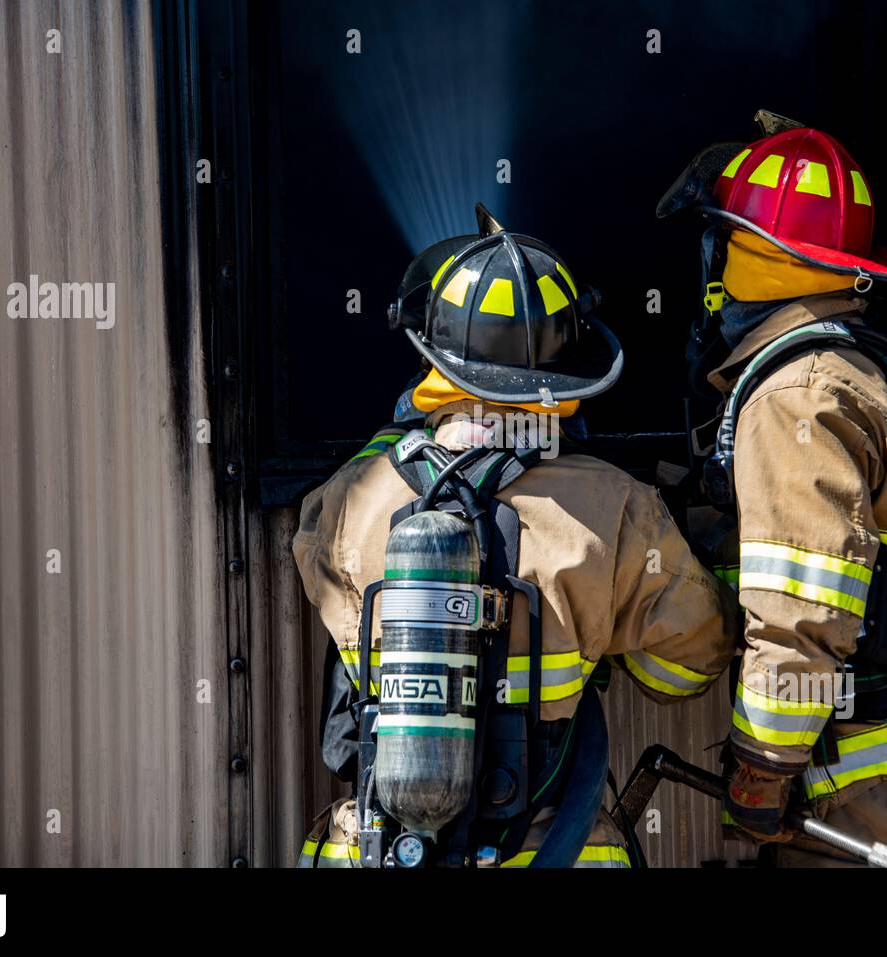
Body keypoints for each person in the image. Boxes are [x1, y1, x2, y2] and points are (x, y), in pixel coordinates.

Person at [292, 205, 738, 868]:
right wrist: (599, 634)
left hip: (378, 850)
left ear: (433, 356)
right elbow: (693, 659)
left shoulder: (343, 499)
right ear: (567, 372)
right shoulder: (615, 506)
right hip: (556, 848)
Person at [663, 120, 887, 867]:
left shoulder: (794, 396)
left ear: (754, 256)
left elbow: (802, 604)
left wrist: (763, 764)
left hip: (862, 804)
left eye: (724, 243)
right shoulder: (864, 369)